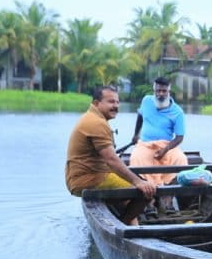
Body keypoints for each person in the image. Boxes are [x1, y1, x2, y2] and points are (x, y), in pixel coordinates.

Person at [65, 85, 156, 225]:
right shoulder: (97, 123)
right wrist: (138, 182)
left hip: (86, 175)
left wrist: (138, 179)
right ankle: (122, 226)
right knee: (143, 193)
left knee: (138, 183)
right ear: (96, 103)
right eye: (111, 102)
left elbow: (110, 160)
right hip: (88, 179)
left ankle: (131, 225)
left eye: (117, 102)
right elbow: (111, 160)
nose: (116, 106)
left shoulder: (92, 117)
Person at [129, 76, 189, 212]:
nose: (160, 94)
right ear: (154, 90)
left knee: (181, 159)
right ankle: (149, 201)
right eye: (158, 91)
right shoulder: (146, 100)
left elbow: (179, 137)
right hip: (145, 144)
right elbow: (140, 116)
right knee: (136, 159)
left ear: (169, 91)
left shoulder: (177, 112)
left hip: (166, 144)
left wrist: (165, 150)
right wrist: (136, 134)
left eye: (163, 91)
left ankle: (166, 200)